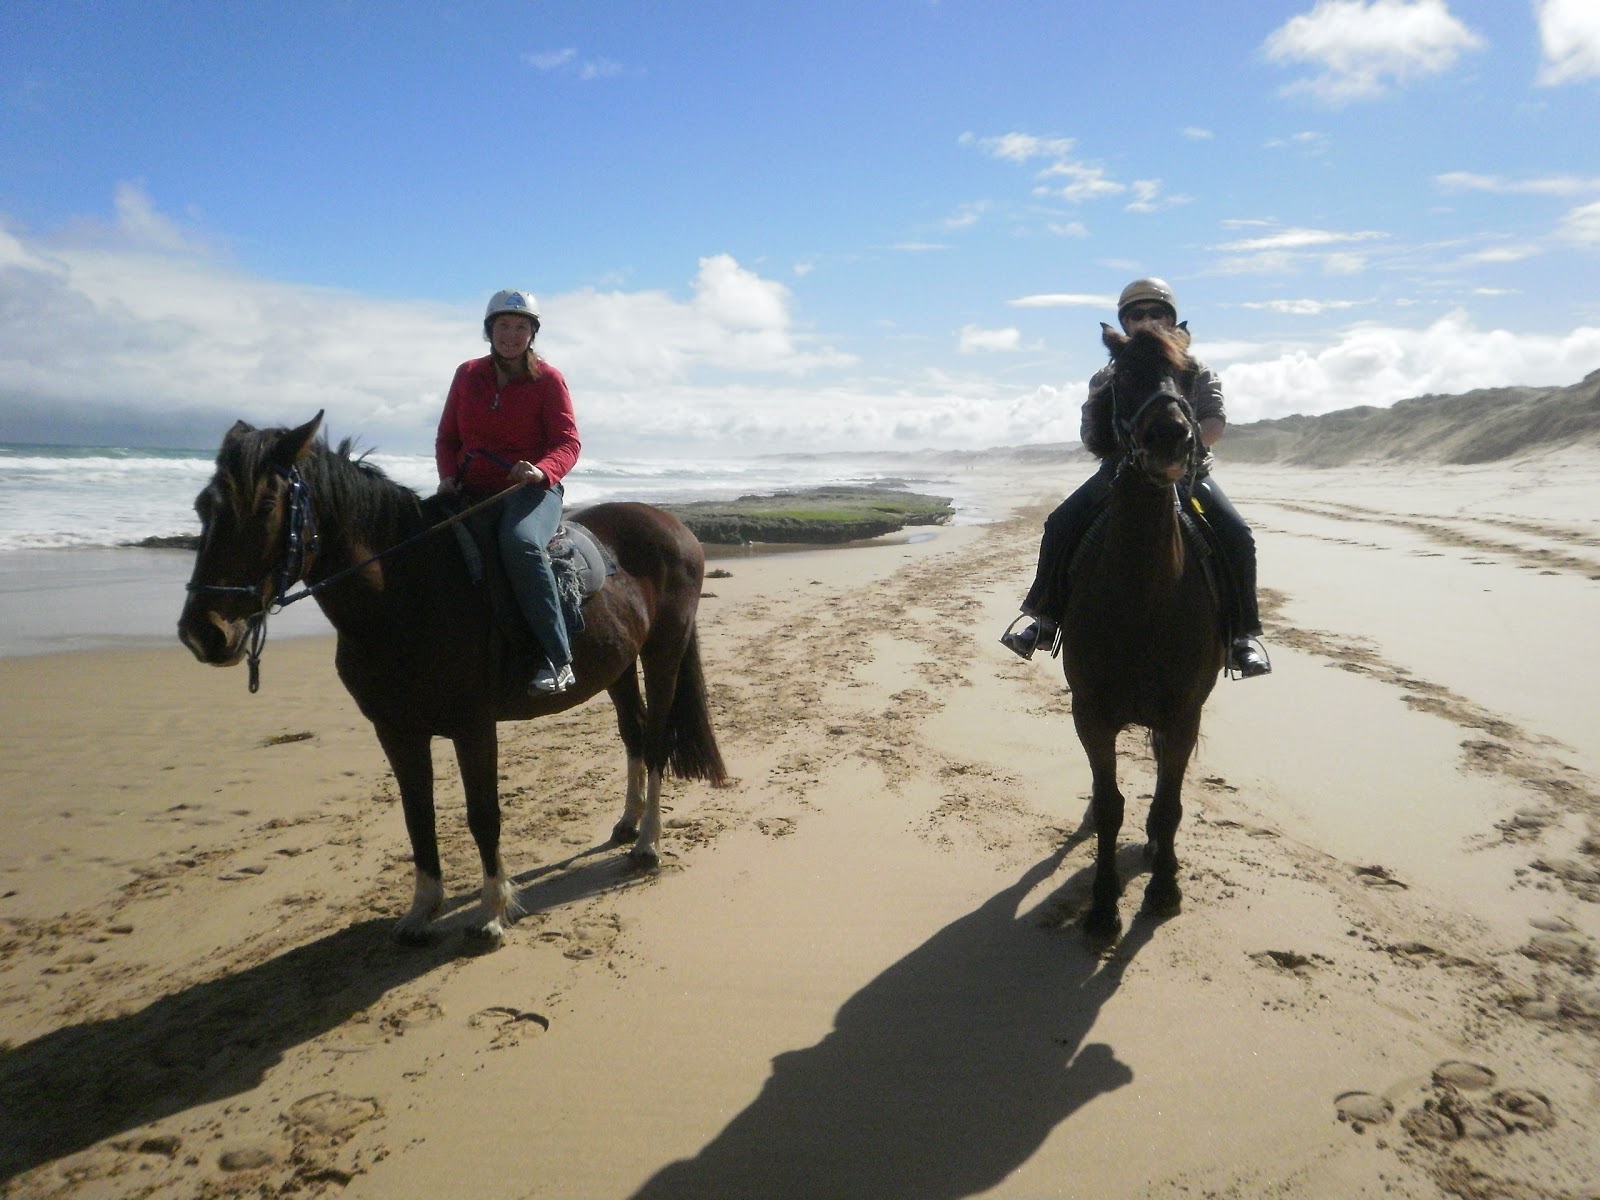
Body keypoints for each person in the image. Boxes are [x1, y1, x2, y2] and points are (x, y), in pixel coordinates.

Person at [1000, 278, 1270, 678]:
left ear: (1172, 320)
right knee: (1060, 524)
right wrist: (1130, 452)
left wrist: (1182, 448)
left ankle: (1241, 637)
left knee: (1237, 535)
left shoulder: (1195, 369)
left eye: (1155, 313)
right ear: (1124, 323)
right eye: (1136, 314)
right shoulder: (1107, 375)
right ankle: (1044, 618)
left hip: (1188, 473)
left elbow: (1214, 421)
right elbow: (1091, 432)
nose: (1146, 320)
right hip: (1121, 473)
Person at [436, 288, 582, 695]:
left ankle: (557, 657)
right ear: (490, 330)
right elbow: (448, 437)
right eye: (504, 326)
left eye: (521, 327)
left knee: (519, 544)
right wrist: (448, 476)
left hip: (532, 491)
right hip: (470, 489)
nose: (512, 335)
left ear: (532, 334)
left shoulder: (549, 379)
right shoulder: (467, 375)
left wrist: (541, 471)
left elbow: (569, 443)